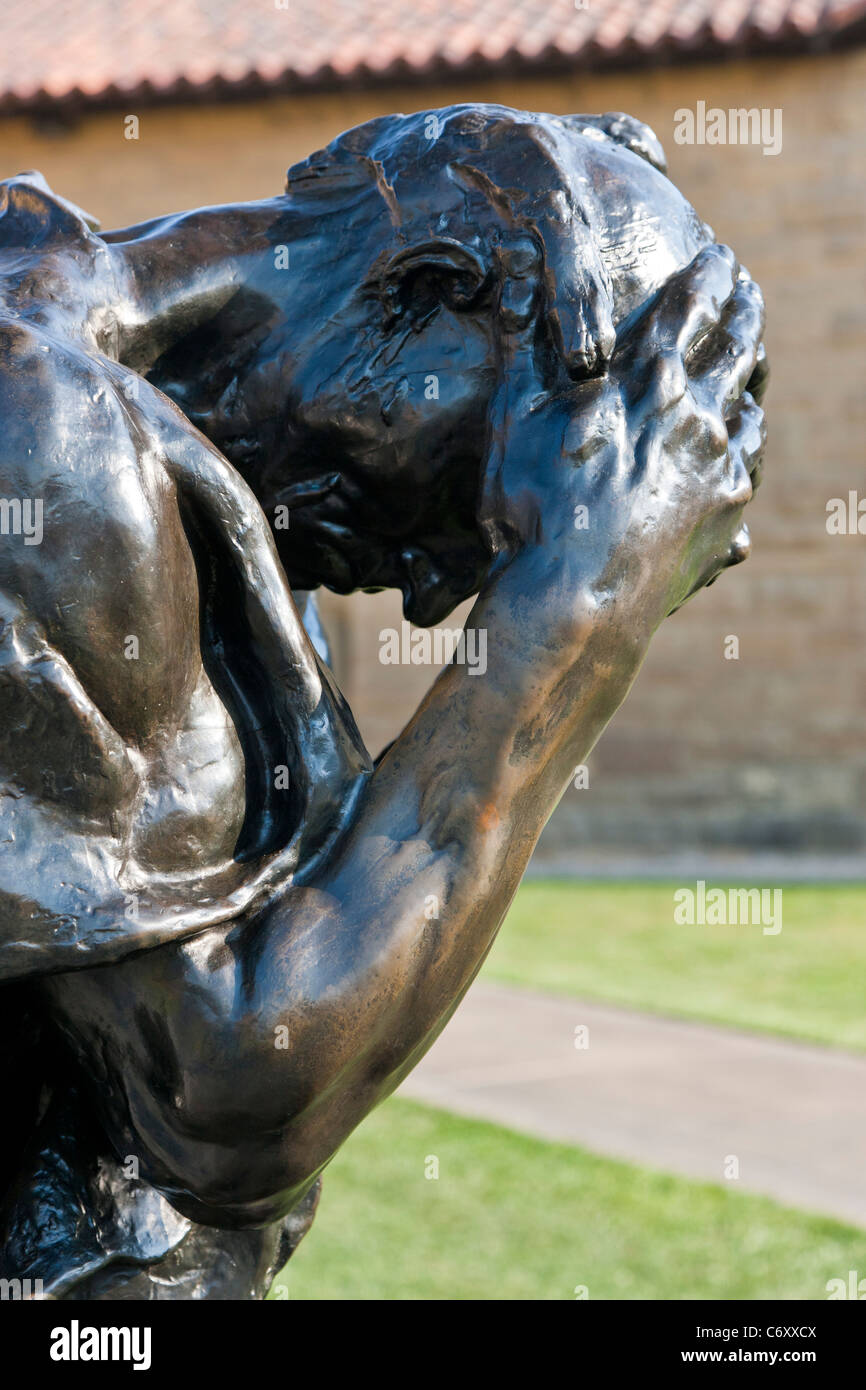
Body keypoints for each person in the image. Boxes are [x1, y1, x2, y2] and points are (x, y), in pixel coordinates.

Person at [0, 106, 766, 1297]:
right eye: (468, 509)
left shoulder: (127, 411)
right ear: (429, 289)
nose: (426, 597)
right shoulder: (43, 434)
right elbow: (223, 1104)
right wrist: (575, 614)